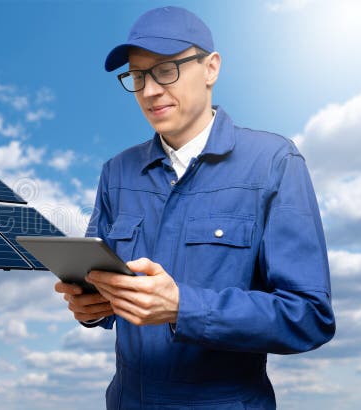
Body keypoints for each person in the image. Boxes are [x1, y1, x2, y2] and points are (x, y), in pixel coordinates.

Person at [54, 6, 335, 409]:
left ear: (211, 68)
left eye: (165, 70)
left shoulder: (273, 163)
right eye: (138, 76)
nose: (149, 91)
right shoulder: (117, 172)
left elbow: (308, 316)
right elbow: (109, 290)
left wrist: (183, 307)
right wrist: (92, 308)